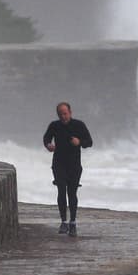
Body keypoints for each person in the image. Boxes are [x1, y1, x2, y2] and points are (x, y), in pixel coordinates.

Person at [42, 101, 93, 236]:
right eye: (60, 114)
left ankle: (73, 223)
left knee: (72, 193)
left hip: (74, 165)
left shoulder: (78, 125)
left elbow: (89, 142)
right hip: (59, 164)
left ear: (70, 112)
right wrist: (48, 145)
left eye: (65, 113)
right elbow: (46, 138)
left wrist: (80, 142)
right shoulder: (54, 125)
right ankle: (63, 222)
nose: (63, 116)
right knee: (61, 190)